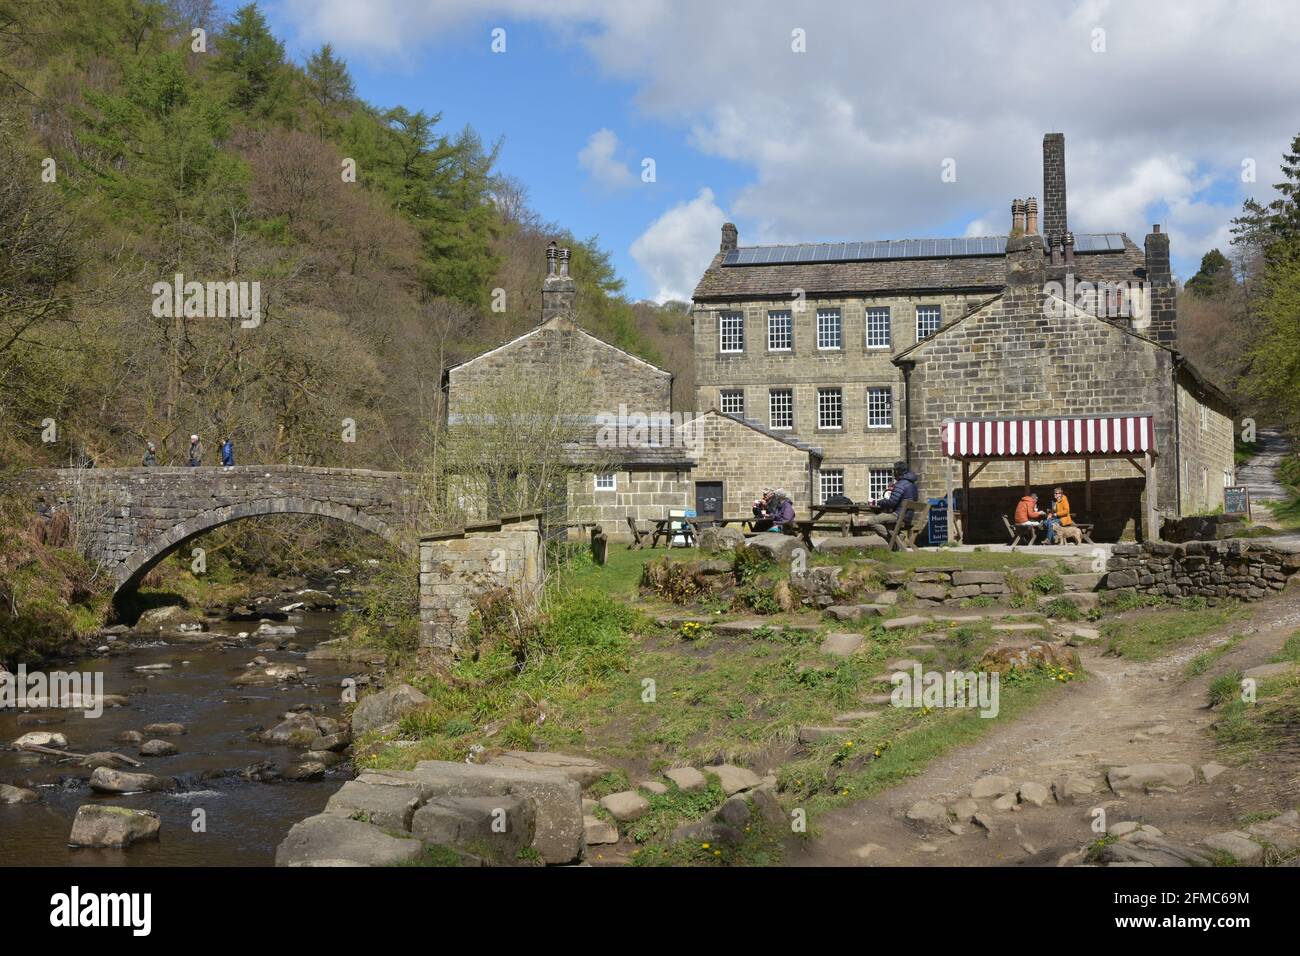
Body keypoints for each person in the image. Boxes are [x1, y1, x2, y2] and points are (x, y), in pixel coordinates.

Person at [862, 461, 919, 535]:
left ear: (897, 471)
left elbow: (892, 502)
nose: (893, 473)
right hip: (908, 517)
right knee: (883, 519)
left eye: (894, 470)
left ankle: (893, 540)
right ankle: (896, 539)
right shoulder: (913, 485)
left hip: (898, 516)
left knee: (871, 521)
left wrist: (880, 502)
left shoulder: (901, 484)